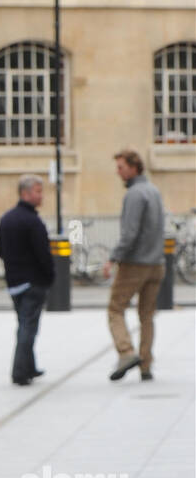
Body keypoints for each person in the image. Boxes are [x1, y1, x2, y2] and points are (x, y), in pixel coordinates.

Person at [102, 148, 166, 381]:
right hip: (156, 263)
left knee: (115, 309)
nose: (118, 172)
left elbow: (129, 234)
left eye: (121, 167)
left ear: (133, 167)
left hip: (135, 263)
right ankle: (146, 364)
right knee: (146, 315)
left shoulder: (135, 195)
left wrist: (113, 258)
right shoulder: (154, 191)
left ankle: (126, 352)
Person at [0, 174, 54, 387]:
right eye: (38, 191)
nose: (41, 196)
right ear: (25, 193)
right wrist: (50, 276)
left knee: (24, 323)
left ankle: (29, 366)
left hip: (14, 282)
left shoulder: (7, 219)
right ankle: (20, 371)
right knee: (28, 327)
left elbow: (2, 251)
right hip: (33, 282)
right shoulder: (32, 221)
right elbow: (43, 254)